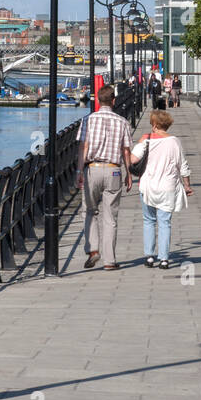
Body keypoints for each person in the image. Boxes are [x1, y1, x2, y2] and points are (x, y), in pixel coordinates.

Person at [77, 83, 132, 270]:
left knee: (89, 211)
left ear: (99, 100)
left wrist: (79, 171)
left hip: (92, 168)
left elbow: (83, 147)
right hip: (113, 169)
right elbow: (126, 151)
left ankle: (93, 250)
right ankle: (110, 260)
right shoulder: (122, 121)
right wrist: (129, 174)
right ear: (114, 100)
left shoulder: (88, 120)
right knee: (111, 216)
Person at [130, 110, 193, 268]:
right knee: (165, 222)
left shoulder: (147, 139)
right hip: (168, 187)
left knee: (149, 220)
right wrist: (187, 185)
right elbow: (183, 166)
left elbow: (133, 159)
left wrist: (139, 142)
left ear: (155, 124)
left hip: (148, 187)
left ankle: (149, 256)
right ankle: (164, 259)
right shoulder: (175, 141)